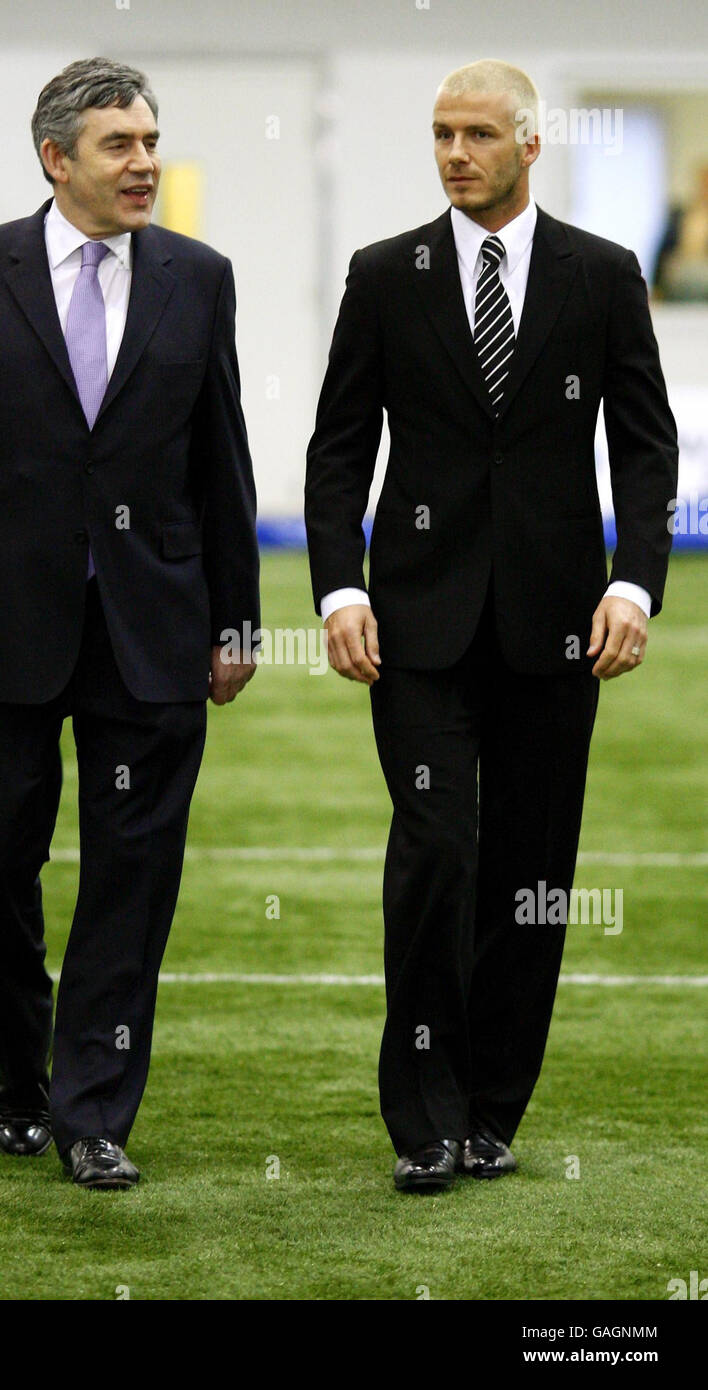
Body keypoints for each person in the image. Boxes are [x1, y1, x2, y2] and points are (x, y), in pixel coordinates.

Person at [0, 57, 259, 1190]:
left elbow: (221, 462)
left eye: (150, 141)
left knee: (130, 879)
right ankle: (21, 1075)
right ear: (56, 158)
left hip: (153, 623)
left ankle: (94, 1111)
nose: (145, 162)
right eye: (120, 146)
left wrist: (236, 619)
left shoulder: (201, 276)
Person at [305, 59, 677, 1192]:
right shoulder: (384, 275)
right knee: (434, 849)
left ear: (529, 143)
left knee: (530, 871)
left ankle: (490, 1110)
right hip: (414, 626)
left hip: (559, 629)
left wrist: (633, 584)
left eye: (475, 133)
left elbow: (645, 446)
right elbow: (336, 450)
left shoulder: (603, 275)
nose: (453, 152)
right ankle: (421, 1117)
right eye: (439, 133)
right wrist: (341, 588)